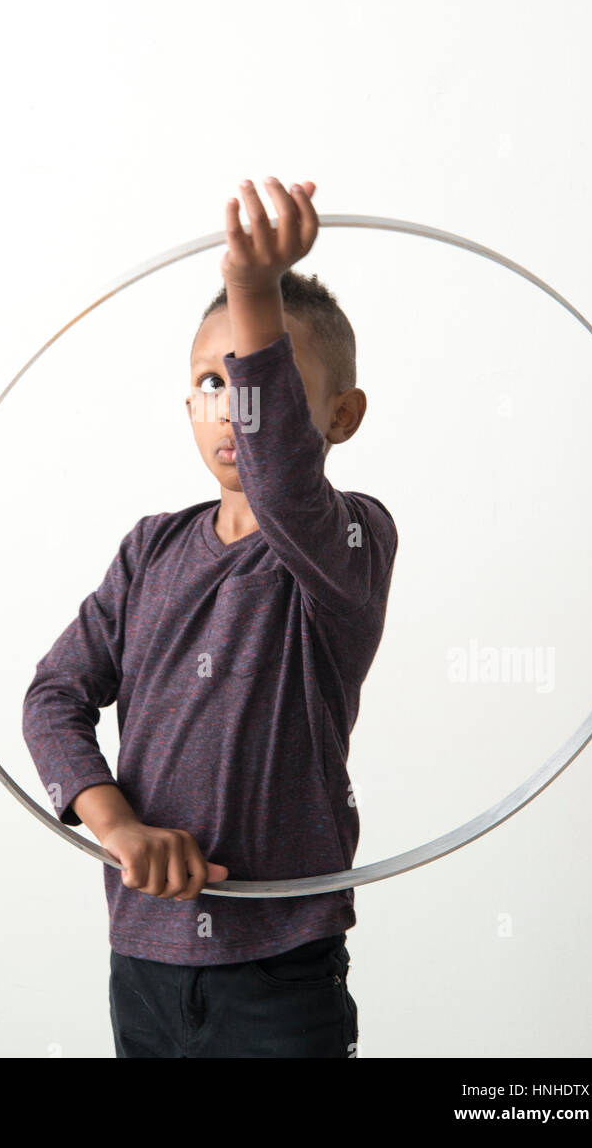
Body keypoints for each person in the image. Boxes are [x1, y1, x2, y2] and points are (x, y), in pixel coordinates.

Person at [22, 176, 399, 1057]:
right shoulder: (149, 550)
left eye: (253, 379)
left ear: (338, 417)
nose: (231, 405)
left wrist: (253, 288)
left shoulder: (345, 541)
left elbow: (281, 478)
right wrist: (113, 821)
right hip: (144, 957)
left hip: (281, 968)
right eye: (208, 381)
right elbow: (54, 694)